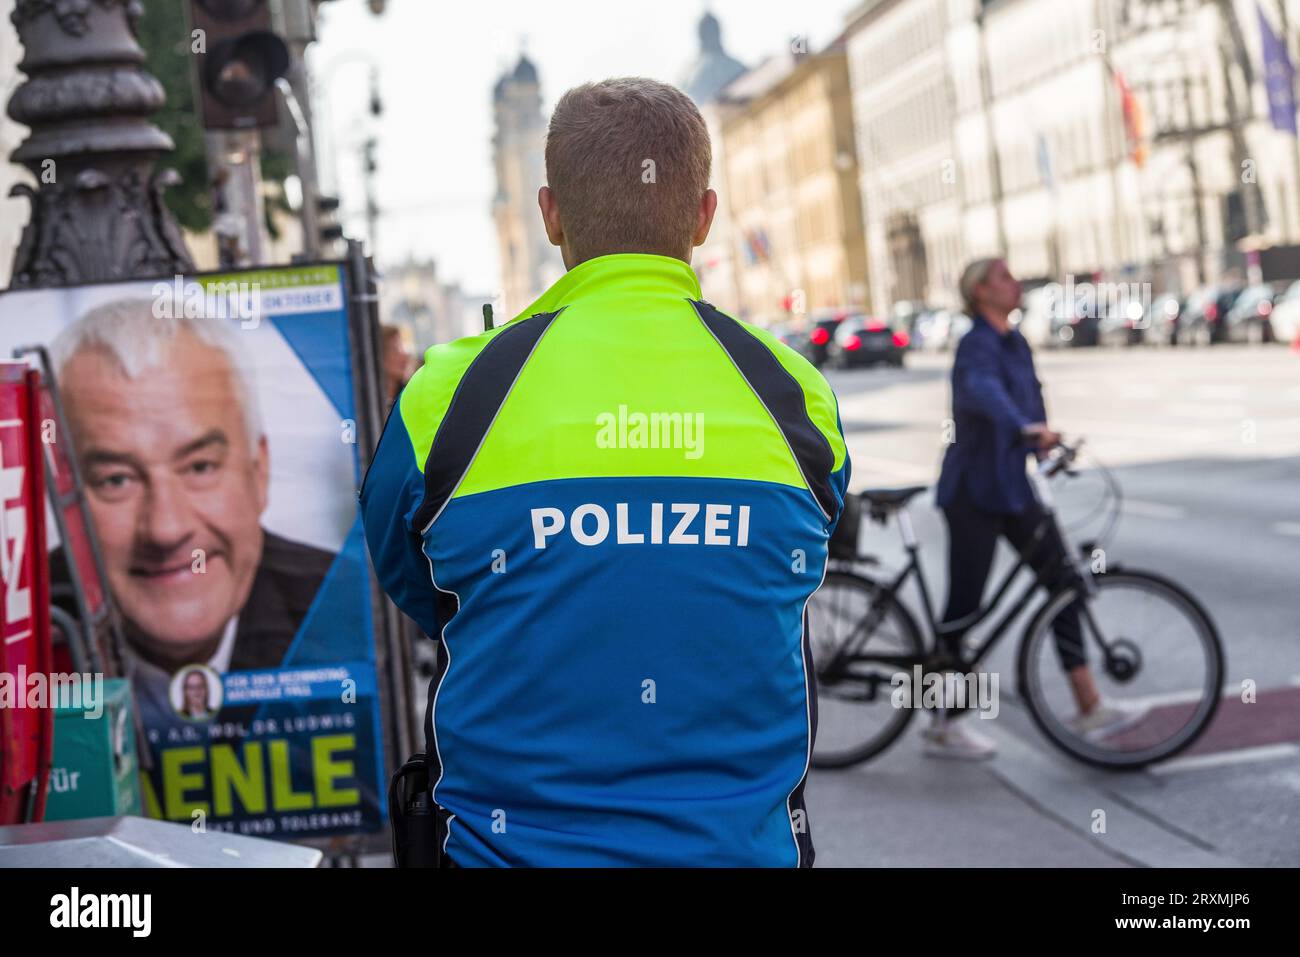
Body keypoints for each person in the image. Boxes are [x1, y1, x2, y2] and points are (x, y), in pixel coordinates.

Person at [361, 77, 851, 867]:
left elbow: (413, 581)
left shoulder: (448, 397)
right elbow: (794, 566)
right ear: (703, 215)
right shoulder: (794, 395)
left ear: (549, 214)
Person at [50, 299, 336, 719]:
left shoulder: (344, 607)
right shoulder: (19, 641)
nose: (166, 529)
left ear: (259, 472)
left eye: (200, 467)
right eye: (116, 479)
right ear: (60, 497)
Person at [930, 258, 1148, 759]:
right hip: (972, 492)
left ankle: (1089, 703)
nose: (1016, 283)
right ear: (981, 291)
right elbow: (984, 393)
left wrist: (1042, 440)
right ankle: (944, 722)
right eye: (1005, 276)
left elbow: (1030, 401)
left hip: (1014, 487)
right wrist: (1023, 429)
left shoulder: (1015, 341)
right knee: (963, 612)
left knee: (1064, 584)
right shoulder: (976, 345)